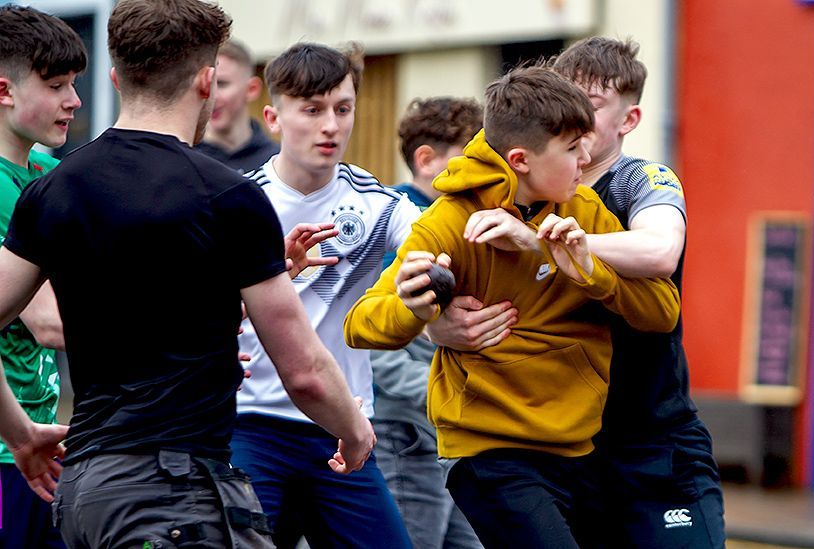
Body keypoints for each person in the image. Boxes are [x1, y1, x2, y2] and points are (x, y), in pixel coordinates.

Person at [0, 2, 375, 547]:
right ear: (206, 82)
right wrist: (355, 429)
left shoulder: (52, 189)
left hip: (83, 492)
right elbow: (306, 372)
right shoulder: (227, 195)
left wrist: (20, 434)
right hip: (173, 490)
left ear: (114, 77)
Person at [345, 66, 681, 548]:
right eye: (572, 148)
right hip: (489, 450)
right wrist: (414, 309)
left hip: (580, 447)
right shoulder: (448, 220)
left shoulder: (585, 210)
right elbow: (360, 325)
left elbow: (661, 311)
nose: (586, 159)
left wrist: (584, 267)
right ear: (521, 159)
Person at [455, 37, 727, 547]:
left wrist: (542, 243)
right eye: (568, 103)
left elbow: (661, 250)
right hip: (563, 446)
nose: (576, 120)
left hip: (655, 441)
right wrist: (438, 325)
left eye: (594, 107)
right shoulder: (516, 194)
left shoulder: (639, 181)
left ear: (629, 120)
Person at [233, 42, 415, 548]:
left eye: (342, 109)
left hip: (344, 428)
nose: (330, 126)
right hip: (250, 425)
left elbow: (438, 248)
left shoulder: (379, 204)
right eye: (312, 111)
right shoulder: (239, 202)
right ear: (273, 116)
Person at [370, 96, 484, 549]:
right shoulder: (401, 225)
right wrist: (446, 390)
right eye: (468, 158)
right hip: (400, 432)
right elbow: (370, 345)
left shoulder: (456, 223)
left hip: (443, 431)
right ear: (426, 160)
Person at [0, 6, 84, 547]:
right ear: (3, 90)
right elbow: (52, 322)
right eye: (56, 86)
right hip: (8, 450)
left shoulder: (52, 175)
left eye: (74, 85)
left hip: (44, 437)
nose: (73, 101)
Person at [195, 39, 279, 172]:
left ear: (252, 89)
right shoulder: (187, 160)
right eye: (206, 84)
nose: (211, 96)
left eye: (222, 84)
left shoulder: (277, 161)